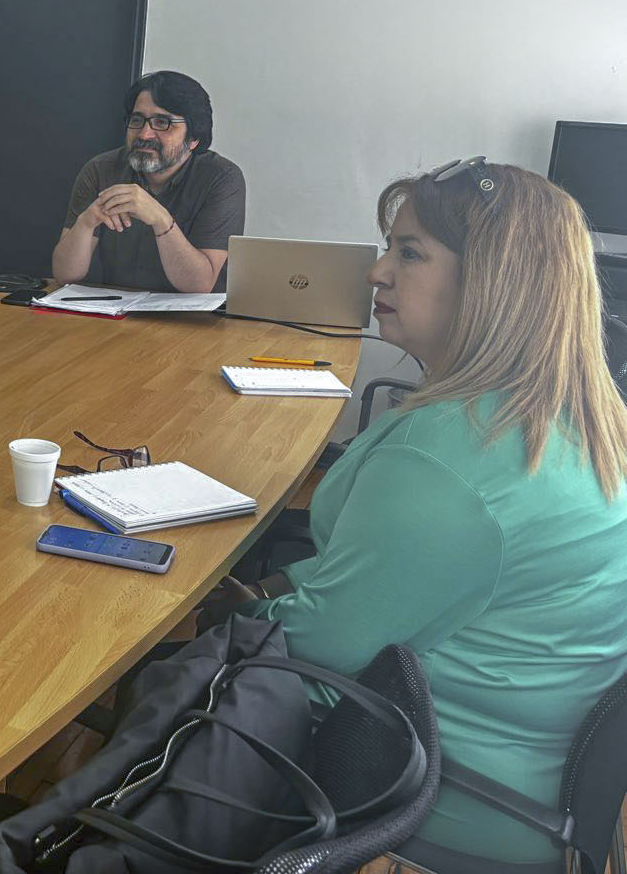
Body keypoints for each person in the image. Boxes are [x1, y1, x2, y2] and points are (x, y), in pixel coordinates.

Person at [200, 158, 627, 864]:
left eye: (409, 252)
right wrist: (282, 586)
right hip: (542, 804)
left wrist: (217, 618)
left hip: (417, 808)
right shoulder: (583, 416)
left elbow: (316, 648)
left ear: (492, 279)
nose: (376, 273)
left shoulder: (452, 459)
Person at [51, 71, 245, 293]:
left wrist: (161, 220)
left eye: (162, 122)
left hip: (195, 321)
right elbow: (65, 275)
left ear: (194, 138)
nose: (144, 134)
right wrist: (86, 223)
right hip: (116, 312)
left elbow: (199, 285)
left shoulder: (221, 178)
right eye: (137, 120)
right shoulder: (100, 169)